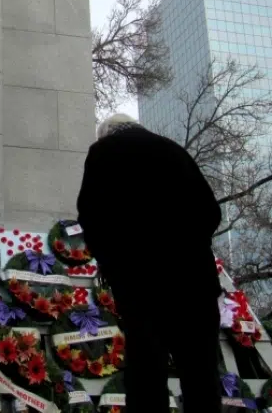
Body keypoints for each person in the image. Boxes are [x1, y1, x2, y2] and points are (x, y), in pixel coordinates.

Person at [76, 114, 223, 413]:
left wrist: (113, 264)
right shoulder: (174, 150)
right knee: (201, 372)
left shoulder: (104, 152)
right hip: (194, 280)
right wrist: (189, 245)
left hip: (140, 282)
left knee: (147, 372)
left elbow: (91, 217)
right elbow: (211, 212)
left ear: (106, 134)